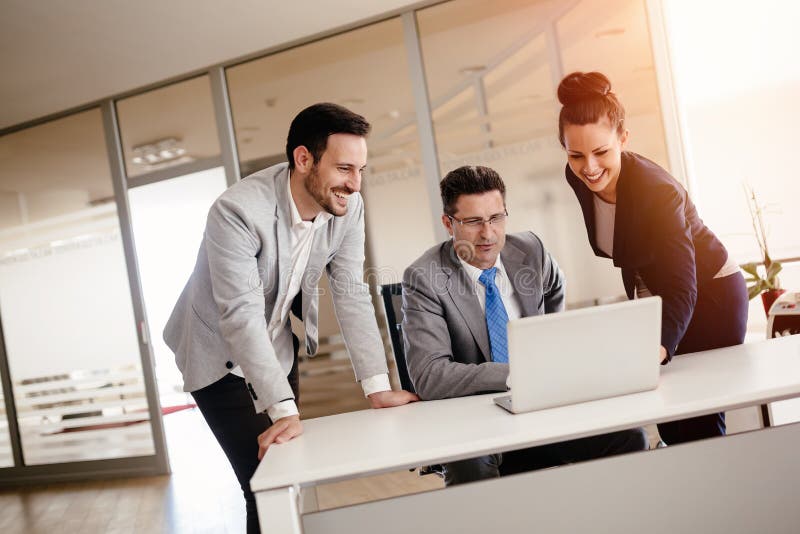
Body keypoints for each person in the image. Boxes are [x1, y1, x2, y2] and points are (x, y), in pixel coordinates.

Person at [163, 103, 418, 533]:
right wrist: (283, 411)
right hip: (216, 354)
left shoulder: (347, 208)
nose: (355, 185)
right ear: (304, 160)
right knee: (263, 481)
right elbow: (240, 315)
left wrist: (377, 387)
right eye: (344, 169)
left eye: (361, 170)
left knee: (289, 476)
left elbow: (351, 292)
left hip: (276, 347)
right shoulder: (236, 212)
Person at [401, 165, 647, 486]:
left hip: (541, 404)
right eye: (473, 221)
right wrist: (519, 372)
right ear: (449, 223)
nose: (488, 234)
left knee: (629, 437)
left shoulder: (530, 249)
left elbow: (556, 287)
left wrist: (548, 343)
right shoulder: (425, 277)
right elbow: (430, 377)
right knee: (470, 467)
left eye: (497, 217)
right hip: (474, 418)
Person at [556, 71, 748, 444]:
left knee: (696, 416)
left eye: (601, 152)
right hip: (659, 294)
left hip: (710, 295)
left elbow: (682, 285)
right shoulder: (574, 175)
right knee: (667, 420)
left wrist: (655, 349)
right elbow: (633, 250)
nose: (589, 168)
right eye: (576, 154)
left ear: (623, 140)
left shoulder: (657, 192)